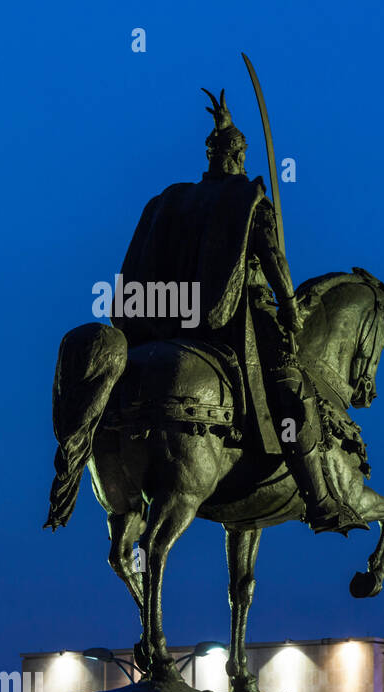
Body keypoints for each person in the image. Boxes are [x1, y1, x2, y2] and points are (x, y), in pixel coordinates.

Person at [115, 88, 364, 533]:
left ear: (211, 156)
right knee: (291, 386)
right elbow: (274, 261)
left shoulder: (173, 199)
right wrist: (290, 309)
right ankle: (320, 499)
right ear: (239, 156)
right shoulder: (248, 200)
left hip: (170, 317)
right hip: (236, 316)